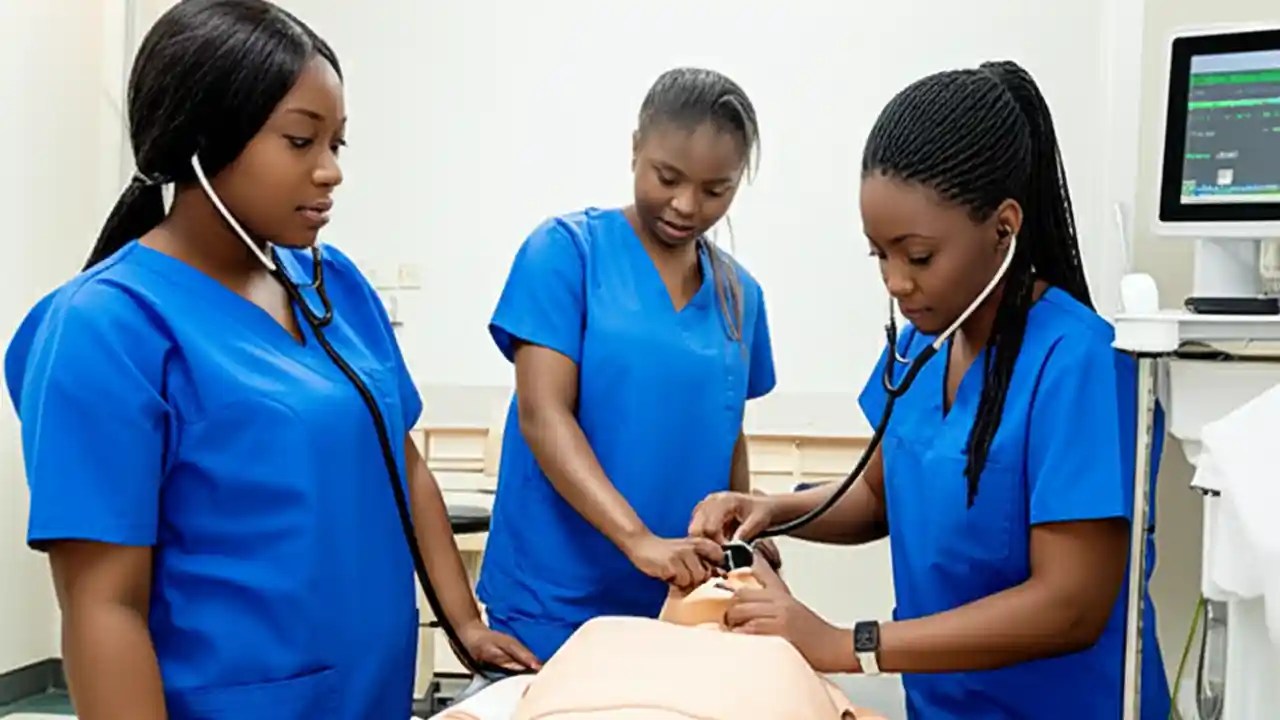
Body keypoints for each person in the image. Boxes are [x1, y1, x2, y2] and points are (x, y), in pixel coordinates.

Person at [3, 2, 536, 718]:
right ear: (201, 139)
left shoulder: (334, 284)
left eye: (337, 145)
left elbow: (400, 461)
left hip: (371, 693)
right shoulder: (104, 328)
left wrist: (464, 622)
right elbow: (104, 608)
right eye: (299, 141)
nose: (330, 172)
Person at [688, 60, 1171, 719]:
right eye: (878, 254)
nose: (895, 281)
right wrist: (771, 509)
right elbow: (878, 496)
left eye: (917, 256)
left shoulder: (1080, 363)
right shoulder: (924, 343)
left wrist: (844, 644)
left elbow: (1070, 607)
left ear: (1004, 226)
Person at [475, 67, 778, 662]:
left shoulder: (740, 295)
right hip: (555, 602)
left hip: (682, 602)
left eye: (716, 190)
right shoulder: (566, 253)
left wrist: (741, 540)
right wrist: (638, 541)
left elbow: (726, 432)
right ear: (636, 146)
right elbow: (544, 415)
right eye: (668, 177)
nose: (687, 206)